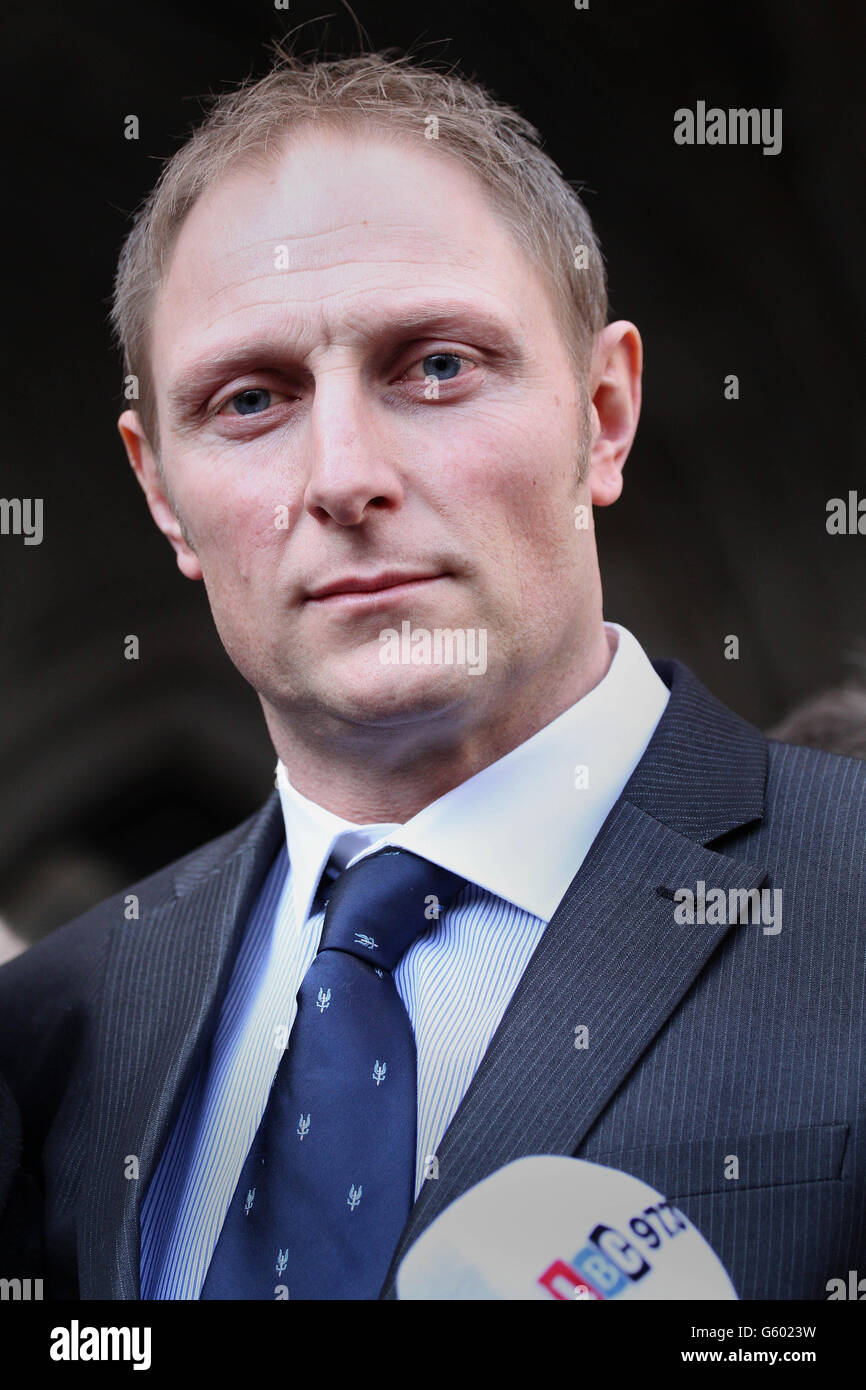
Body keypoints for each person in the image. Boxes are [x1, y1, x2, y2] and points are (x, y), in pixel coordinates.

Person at [0, 48, 863, 1302]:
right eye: (249, 399)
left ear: (601, 412)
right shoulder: (54, 1034)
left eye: (437, 366)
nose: (343, 474)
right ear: (162, 494)